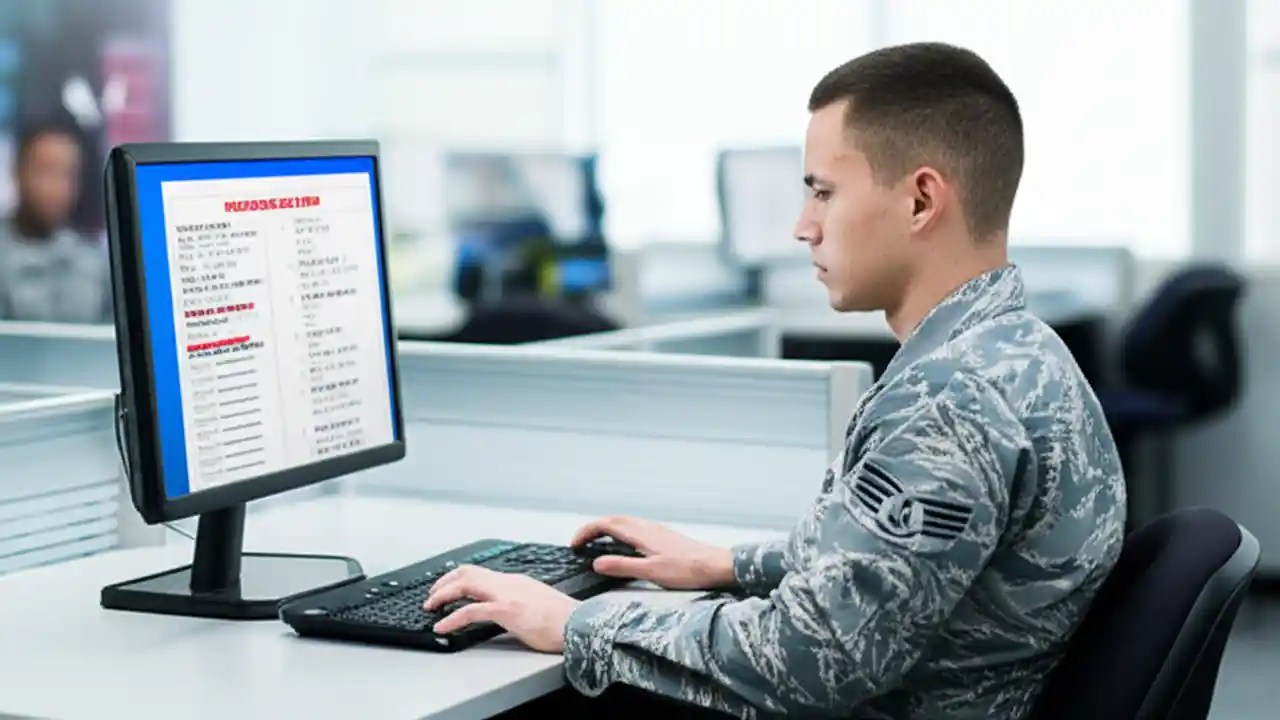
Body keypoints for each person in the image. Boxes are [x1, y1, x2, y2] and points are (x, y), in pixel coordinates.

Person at [423, 42, 1127, 719]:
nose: (803, 226)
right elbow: (897, 565)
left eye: (824, 193)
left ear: (920, 202)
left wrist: (578, 621)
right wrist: (724, 564)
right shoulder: (1022, 351)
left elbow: (809, 658)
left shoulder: (947, 402)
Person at [0, 118, 111, 323]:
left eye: (68, 174)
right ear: (17, 173)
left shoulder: (94, 260)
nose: (58, 187)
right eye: (46, 171)